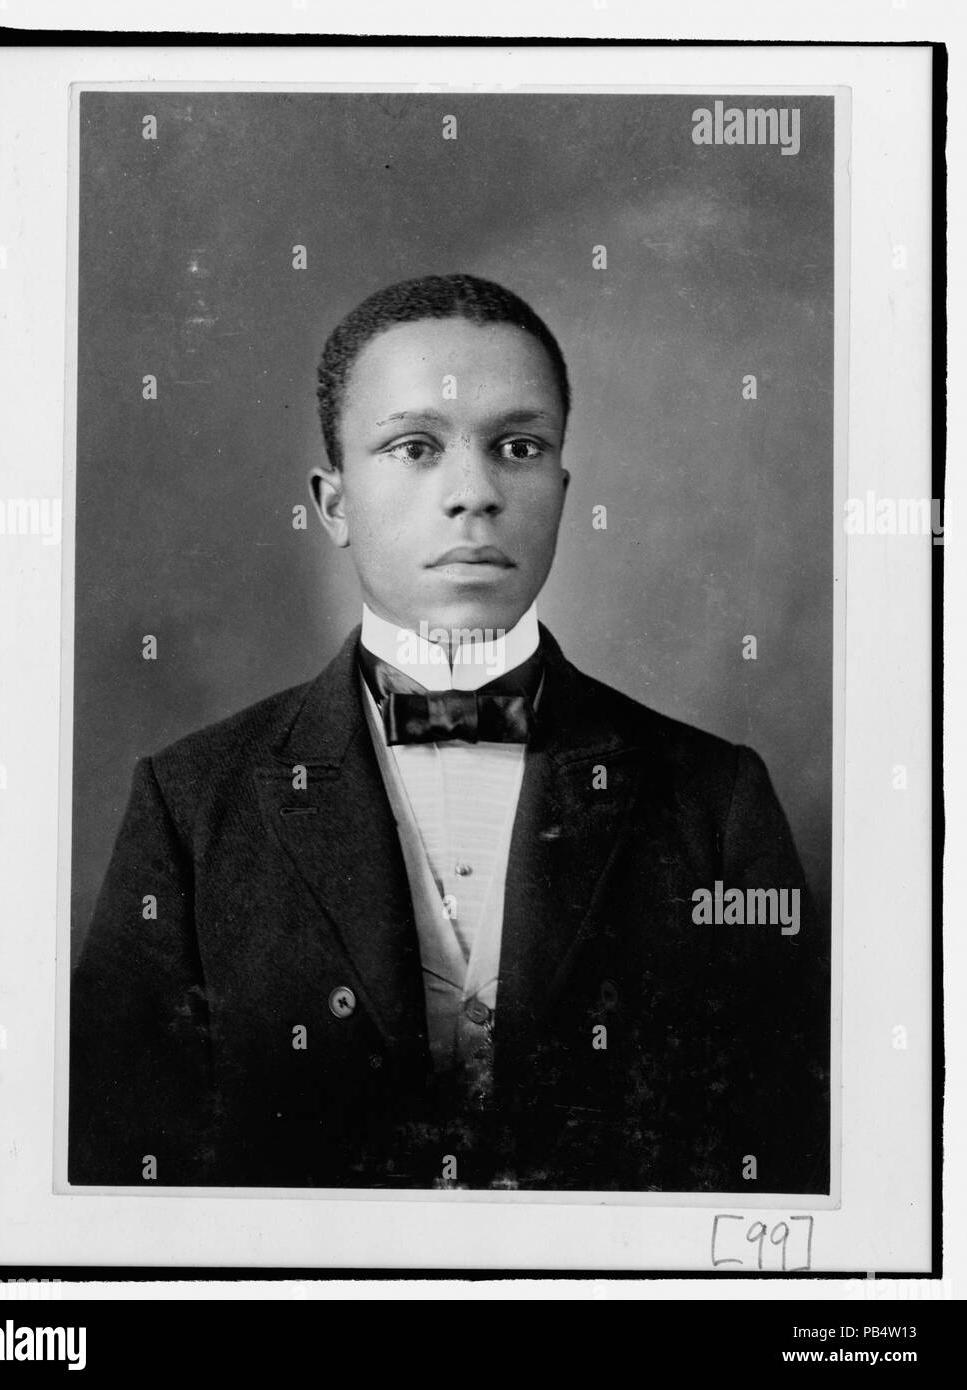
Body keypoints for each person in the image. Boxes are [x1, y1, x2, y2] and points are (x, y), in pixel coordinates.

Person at [70, 273, 829, 1192]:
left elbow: (785, 1161)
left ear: (559, 484)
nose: (474, 493)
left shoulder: (716, 801)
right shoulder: (190, 805)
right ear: (334, 502)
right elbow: (121, 1172)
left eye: (517, 445)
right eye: (415, 447)